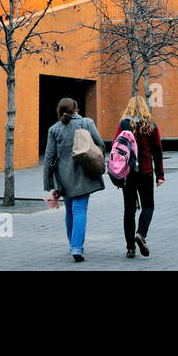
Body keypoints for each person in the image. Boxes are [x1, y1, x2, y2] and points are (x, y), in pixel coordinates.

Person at [43, 96, 106, 262]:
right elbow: (101, 145)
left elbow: (49, 158)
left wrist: (49, 183)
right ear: (76, 108)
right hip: (83, 175)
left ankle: (73, 244)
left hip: (63, 177)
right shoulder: (86, 123)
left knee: (70, 211)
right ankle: (76, 248)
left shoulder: (54, 130)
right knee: (79, 210)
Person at [116, 95, 165, 258]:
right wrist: (160, 175)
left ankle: (130, 247)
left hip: (127, 173)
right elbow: (157, 152)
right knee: (148, 206)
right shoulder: (151, 126)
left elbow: (115, 147)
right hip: (145, 172)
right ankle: (141, 234)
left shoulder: (123, 125)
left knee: (128, 209)